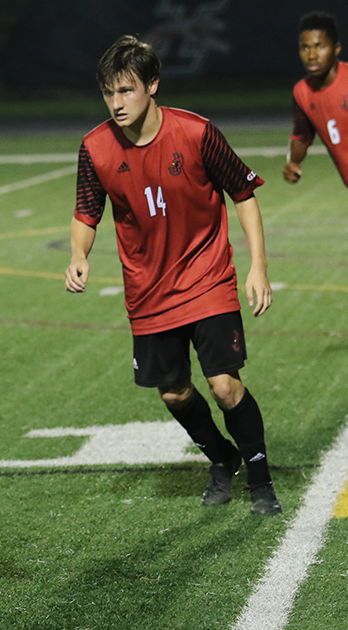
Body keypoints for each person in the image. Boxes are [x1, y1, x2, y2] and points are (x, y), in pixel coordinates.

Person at [65, 35, 280, 516]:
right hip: (149, 290)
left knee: (225, 385)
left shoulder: (197, 133)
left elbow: (243, 193)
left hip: (208, 278)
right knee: (174, 392)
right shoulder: (95, 148)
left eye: (126, 91)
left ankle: (261, 479)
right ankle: (223, 458)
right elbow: (86, 210)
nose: (116, 103)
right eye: (109, 93)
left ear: (153, 85)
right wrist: (79, 253)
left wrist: (257, 266)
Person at [284, 11, 348, 188]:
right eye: (305, 48)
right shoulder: (302, 92)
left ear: (336, 48)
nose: (312, 55)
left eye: (319, 46)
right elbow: (302, 135)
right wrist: (293, 162)